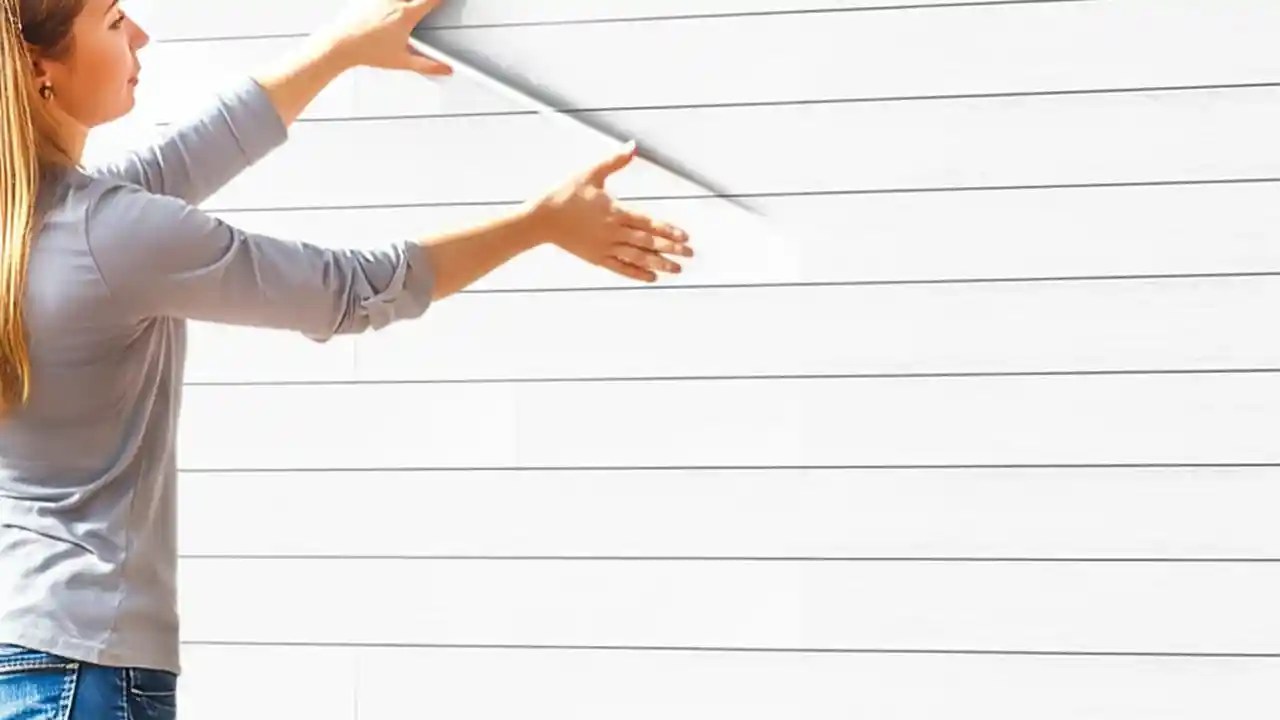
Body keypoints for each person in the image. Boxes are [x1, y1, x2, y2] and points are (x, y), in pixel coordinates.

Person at [0, 0, 694, 717]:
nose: (141, 33)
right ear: (39, 66)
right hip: (88, 670)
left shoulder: (31, 222)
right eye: (115, 22)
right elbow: (354, 290)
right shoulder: (107, 232)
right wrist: (540, 223)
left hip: (26, 650)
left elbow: (189, 157)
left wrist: (338, 49)